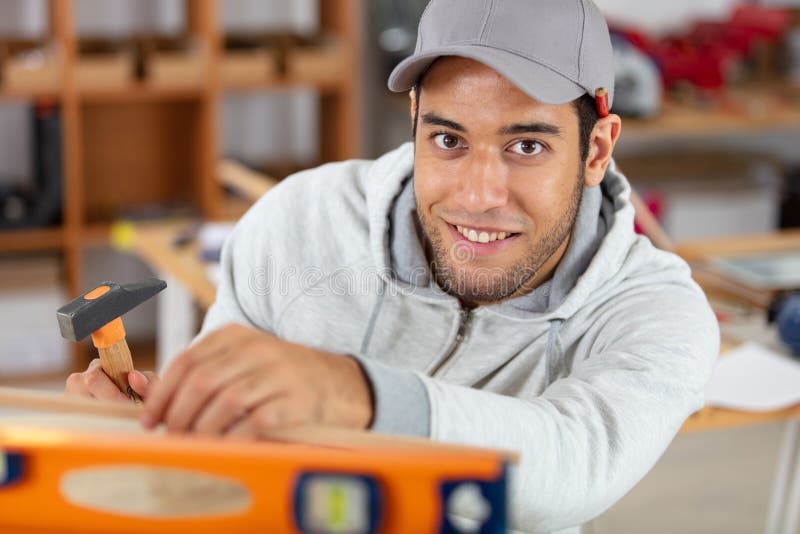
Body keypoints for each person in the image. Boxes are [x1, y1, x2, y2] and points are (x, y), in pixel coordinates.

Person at [66, 0, 719, 531]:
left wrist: (355, 394)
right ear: (413, 120)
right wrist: (147, 434)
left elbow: (573, 465)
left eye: (526, 145)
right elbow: (217, 464)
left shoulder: (655, 311)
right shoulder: (298, 222)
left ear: (598, 148)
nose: (478, 194)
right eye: (448, 140)